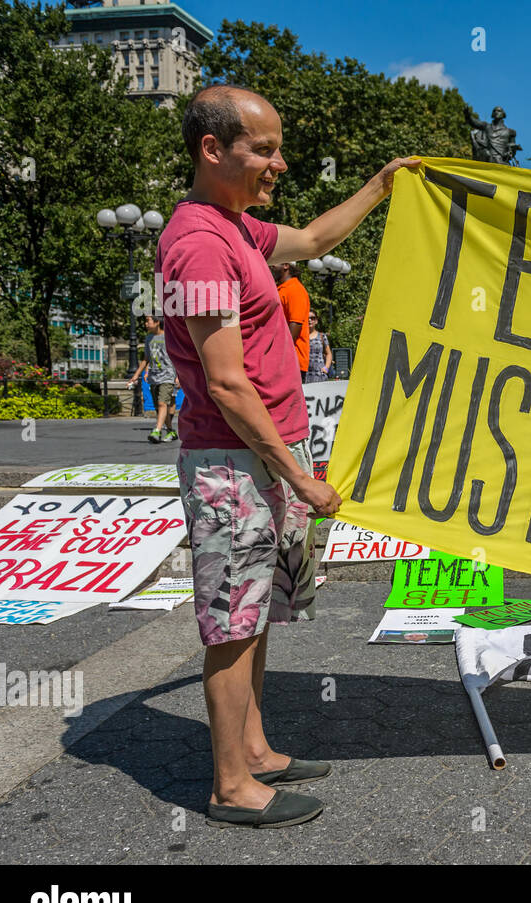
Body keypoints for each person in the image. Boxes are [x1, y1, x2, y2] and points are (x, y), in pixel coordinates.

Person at [159, 82, 419, 828]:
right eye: (264, 149)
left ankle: (256, 749)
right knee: (232, 625)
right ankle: (231, 786)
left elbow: (310, 241)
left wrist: (381, 185)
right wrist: (300, 476)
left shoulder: (234, 227)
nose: (279, 163)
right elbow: (227, 383)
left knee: (256, 611)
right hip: (231, 462)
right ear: (214, 150)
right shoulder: (201, 245)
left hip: (257, 460)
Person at [127, 314, 178, 443]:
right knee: (159, 407)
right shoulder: (149, 338)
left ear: (157, 322)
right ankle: (171, 431)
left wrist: (179, 376)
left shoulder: (169, 337)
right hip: (154, 376)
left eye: (147, 321)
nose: (145, 324)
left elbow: (177, 357)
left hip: (168, 375)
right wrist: (136, 375)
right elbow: (146, 359)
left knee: (163, 403)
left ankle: (157, 431)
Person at [272, 262, 311, 381]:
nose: (271, 265)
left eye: (274, 262)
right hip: (281, 361)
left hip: (290, 362)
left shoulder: (295, 289)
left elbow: (295, 326)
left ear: (286, 265)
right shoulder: (281, 288)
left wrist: (279, 357)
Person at [304, 310, 332, 383]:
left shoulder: (322, 336)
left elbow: (328, 353)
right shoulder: (300, 337)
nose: (309, 320)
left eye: (312, 318)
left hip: (319, 375)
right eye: (307, 318)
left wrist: (326, 368)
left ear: (316, 321)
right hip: (304, 376)